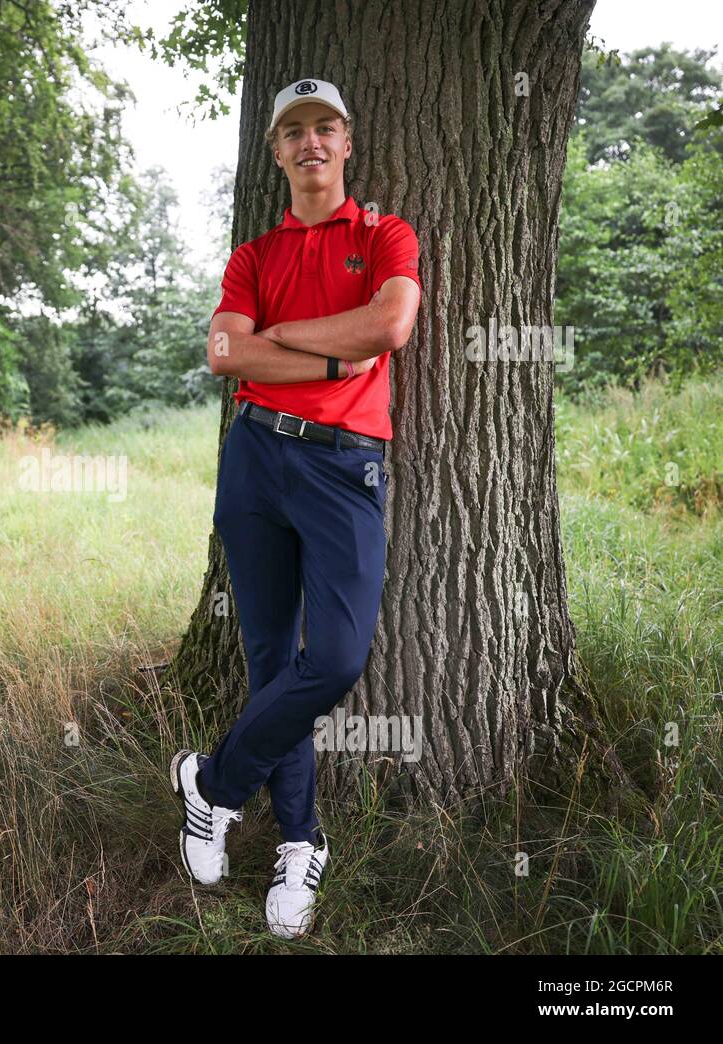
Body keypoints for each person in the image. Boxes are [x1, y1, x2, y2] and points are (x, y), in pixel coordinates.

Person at [170, 77, 421, 939]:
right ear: (276, 151)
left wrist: (274, 340)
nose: (310, 142)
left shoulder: (384, 233)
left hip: (345, 467)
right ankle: (300, 845)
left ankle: (213, 786)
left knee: (338, 659)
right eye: (293, 132)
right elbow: (220, 352)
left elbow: (389, 326)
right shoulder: (254, 255)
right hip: (254, 458)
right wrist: (321, 360)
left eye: (325, 127)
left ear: (346, 141)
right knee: (272, 662)